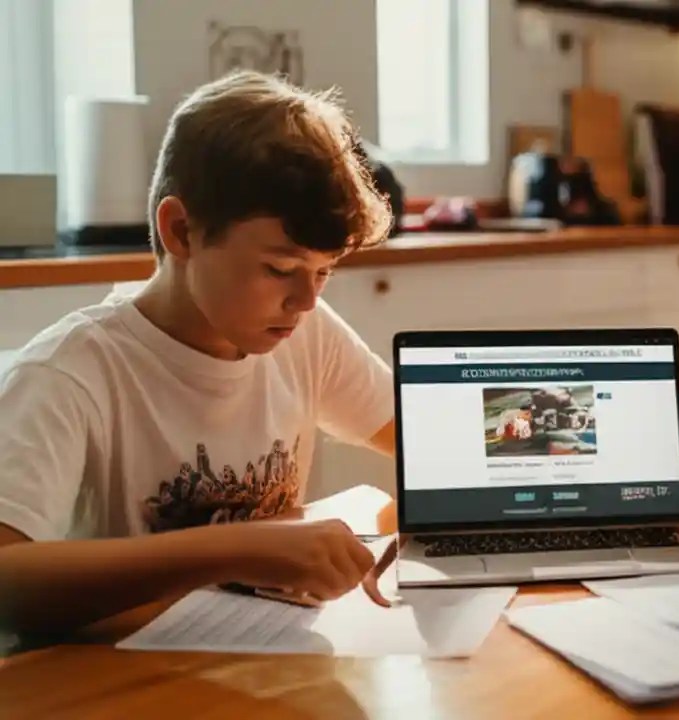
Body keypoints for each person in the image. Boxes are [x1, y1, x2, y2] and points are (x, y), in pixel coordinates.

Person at [0, 70, 400, 637]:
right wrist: (234, 548)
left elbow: (419, 443)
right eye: (281, 270)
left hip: (257, 661)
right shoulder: (72, 372)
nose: (307, 300)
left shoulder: (304, 333)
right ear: (182, 231)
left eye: (324, 272)